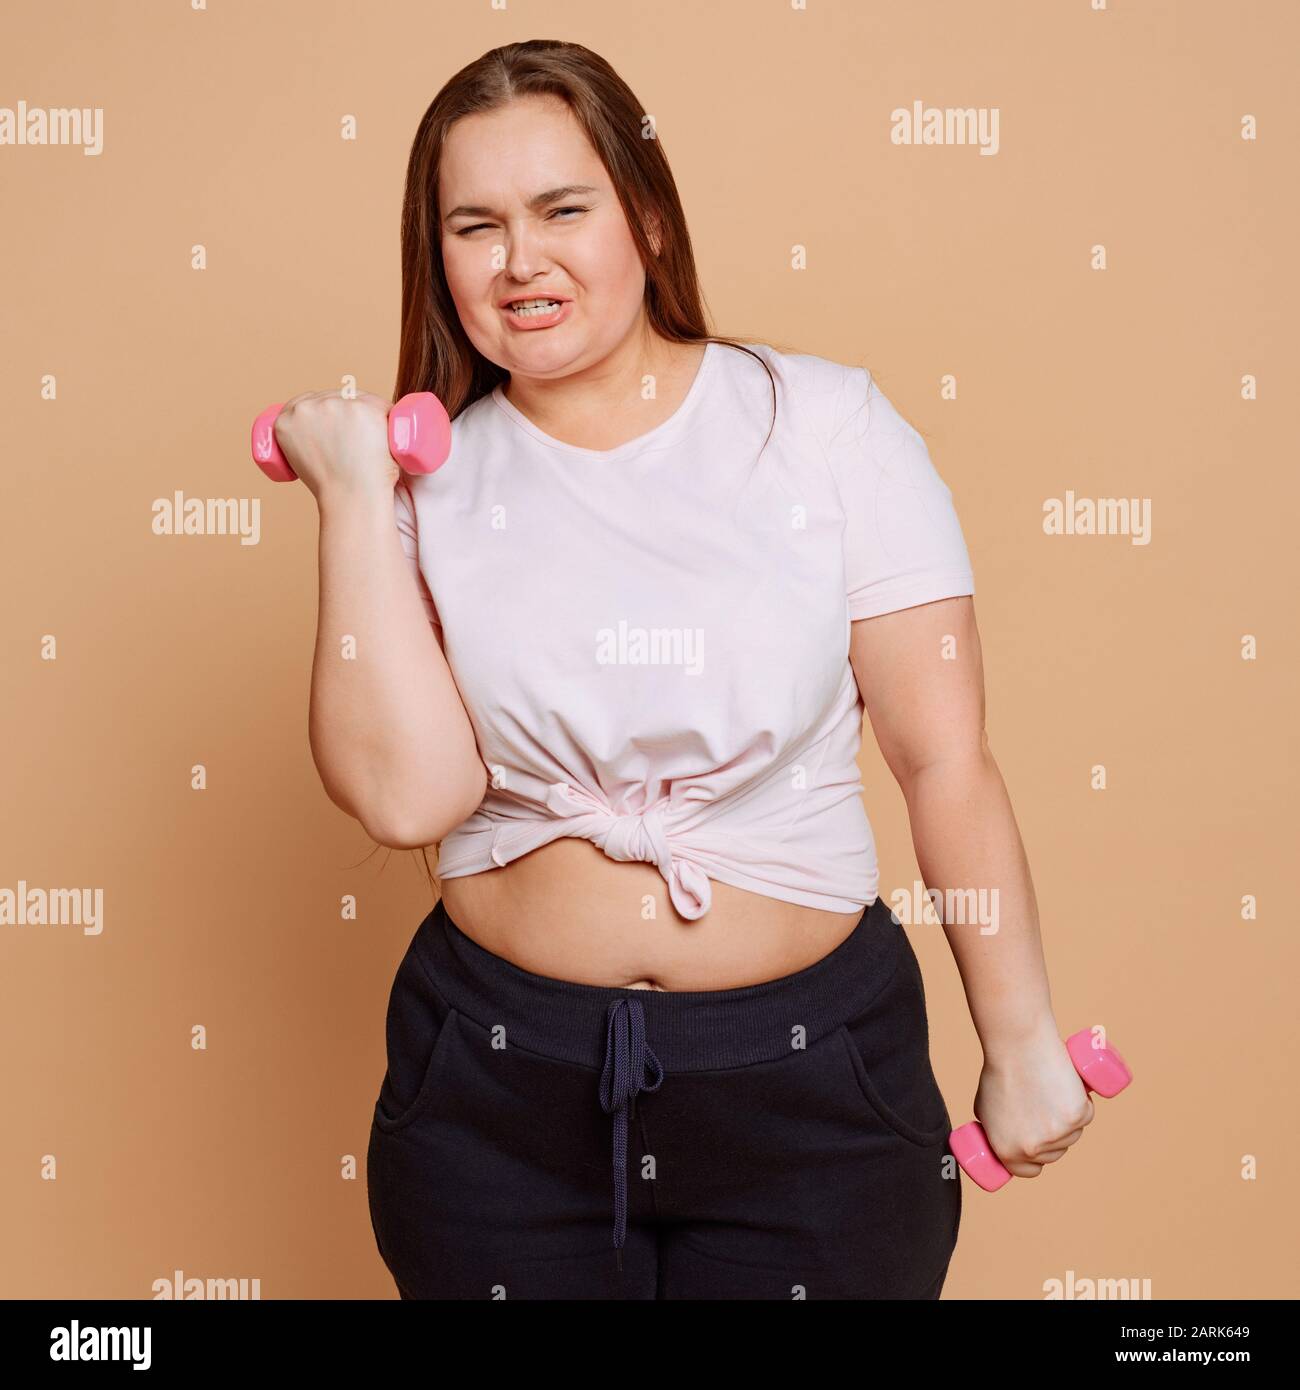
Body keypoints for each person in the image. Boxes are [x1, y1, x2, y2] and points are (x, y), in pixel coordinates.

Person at [273, 40, 1095, 1300]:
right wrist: (349, 500)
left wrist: (1022, 1034)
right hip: (496, 1088)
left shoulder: (827, 428)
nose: (518, 260)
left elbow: (943, 760)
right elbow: (406, 800)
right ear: (436, 256)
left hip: (811, 1085)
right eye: (474, 225)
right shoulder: (416, 482)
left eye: (562, 209)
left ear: (645, 218)